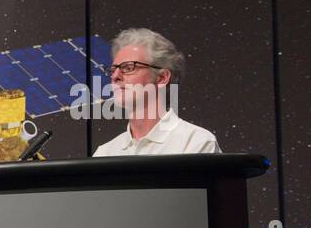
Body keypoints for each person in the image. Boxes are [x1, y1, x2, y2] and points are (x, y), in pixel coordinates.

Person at [93, 28, 220, 157]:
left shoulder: (195, 143)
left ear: (162, 78)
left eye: (129, 67)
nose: (115, 76)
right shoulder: (104, 153)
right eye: (113, 70)